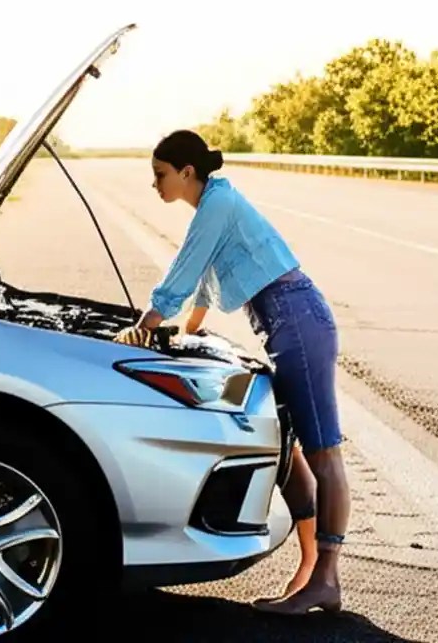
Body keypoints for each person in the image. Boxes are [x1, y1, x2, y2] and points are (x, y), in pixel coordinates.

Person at [113, 129, 350, 615]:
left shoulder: (217, 203)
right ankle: (310, 573)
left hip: (297, 321)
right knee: (293, 451)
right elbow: (202, 283)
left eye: (160, 175)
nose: (154, 185)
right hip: (283, 323)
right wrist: (186, 331)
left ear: (187, 172)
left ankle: (326, 578)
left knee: (324, 453)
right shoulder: (213, 205)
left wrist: (145, 325)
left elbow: (185, 267)